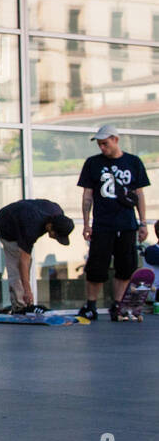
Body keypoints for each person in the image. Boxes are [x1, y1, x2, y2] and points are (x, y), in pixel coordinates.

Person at [76, 125, 149, 321]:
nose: (102, 148)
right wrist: (86, 224)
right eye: (100, 144)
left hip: (126, 223)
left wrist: (143, 223)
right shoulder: (93, 163)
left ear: (116, 140)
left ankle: (118, 305)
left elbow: (140, 194)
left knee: (125, 266)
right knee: (96, 267)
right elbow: (87, 195)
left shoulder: (133, 162)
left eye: (105, 143)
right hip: (102, 224)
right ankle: (91, 304)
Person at [0, 199, 74, 313]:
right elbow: (23, 261)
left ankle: (26, 301)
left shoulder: (58, 213)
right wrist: (27, 290)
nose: (56, 238)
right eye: (56, 235)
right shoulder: (31, 226)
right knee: (16, 265)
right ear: (50, 226)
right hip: (5, 225)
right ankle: (20, 306)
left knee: (26, 264)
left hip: (21, 217)